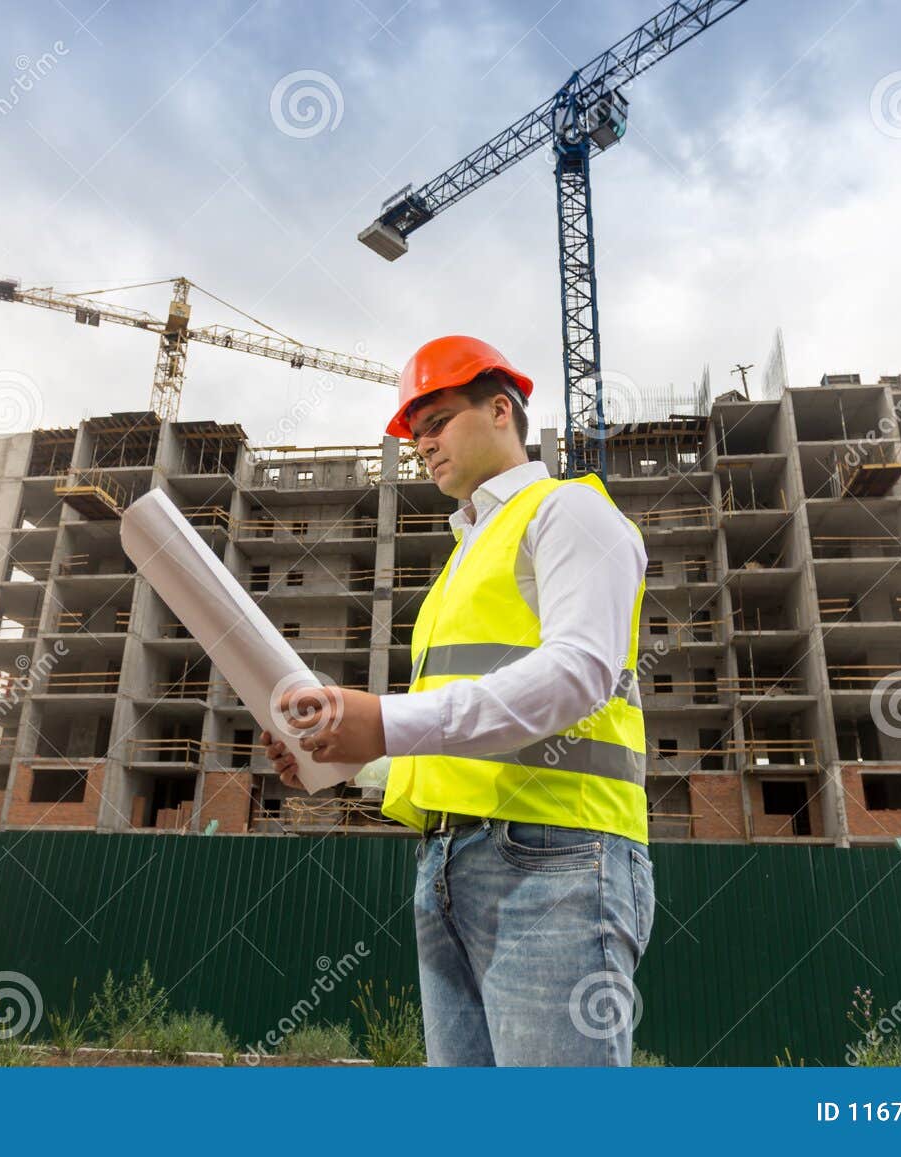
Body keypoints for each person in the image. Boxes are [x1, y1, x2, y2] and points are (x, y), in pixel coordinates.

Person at [260, 335, 655, 1066]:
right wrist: (346, 759)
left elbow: (580, 671)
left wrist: (381, 720)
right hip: (447, 860)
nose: (423, 445)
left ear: (500, 409)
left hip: (554, 854)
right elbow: (454, 729)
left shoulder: (568, 512)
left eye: (436, 420)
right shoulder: (464, 558)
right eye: (415, 434)